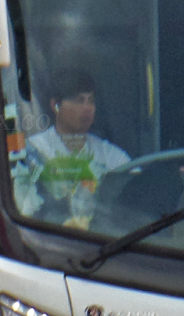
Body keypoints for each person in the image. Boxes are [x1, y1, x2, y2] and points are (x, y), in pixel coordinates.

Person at [17, 67, 130, 223]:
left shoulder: (110, 155)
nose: (87, 108)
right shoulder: (34, 150)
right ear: (55, 106)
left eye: (91, 101)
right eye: (79, 101)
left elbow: (133, 190)